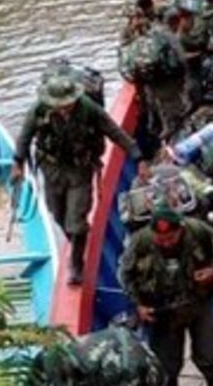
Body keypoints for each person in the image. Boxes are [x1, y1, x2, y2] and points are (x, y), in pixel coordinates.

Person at [13, 71, 147, 285]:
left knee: (76, 219)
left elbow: (114, 131)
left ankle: (76, 263)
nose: (65, 108)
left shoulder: (87, 108)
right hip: (52, 168)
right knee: (57, 213)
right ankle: (77, 239)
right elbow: (25, 136)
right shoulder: (39, 109)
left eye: (68, 104)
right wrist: (18, 162)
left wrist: (138, 157)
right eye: (60, 105)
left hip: (80, 169)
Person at [118, 203, 213, 386]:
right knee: (166, 363)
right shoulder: (141, 241)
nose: (166, 243)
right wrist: (138, 305)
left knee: (211, 355)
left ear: (180, 230)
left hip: (197, 303)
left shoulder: (197, 231)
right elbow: (125, 274)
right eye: (161, 239)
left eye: (170, 238)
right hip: (163, 311)